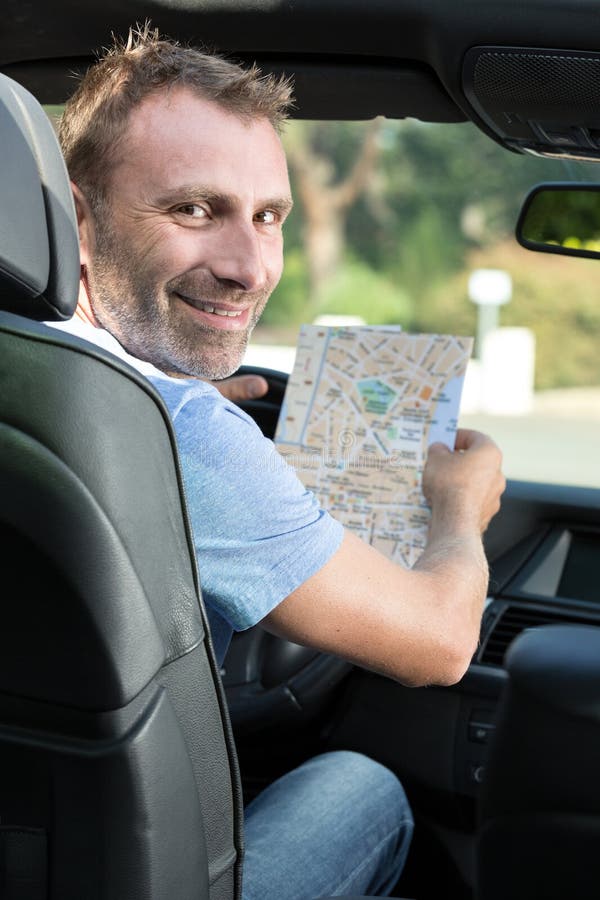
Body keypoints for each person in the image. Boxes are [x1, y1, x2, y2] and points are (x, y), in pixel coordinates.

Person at [52, 25, 505, 899]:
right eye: (193, 209)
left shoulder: (37, 373)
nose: (251, 267)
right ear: (77, 216)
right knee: (365, 786)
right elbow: (441, 645)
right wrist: (460, 508)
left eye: (268, 217)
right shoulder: (180, 434)